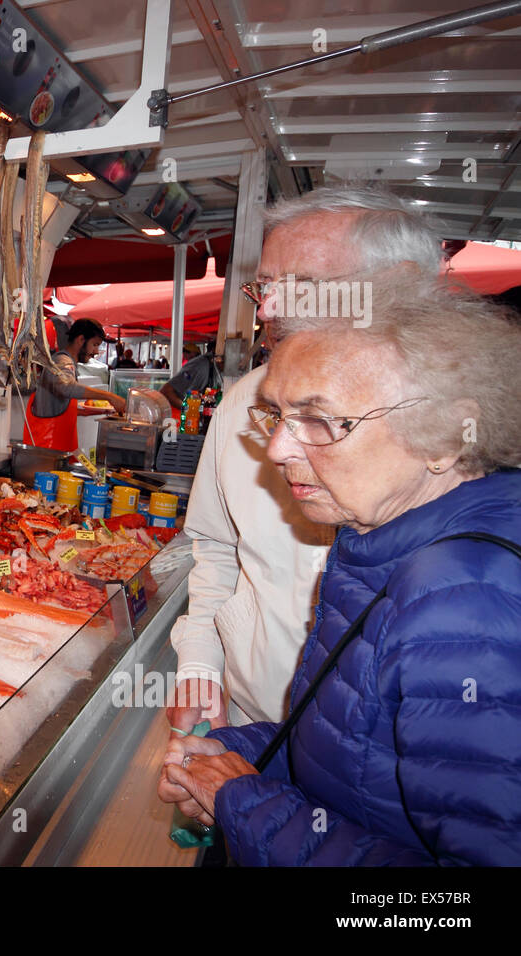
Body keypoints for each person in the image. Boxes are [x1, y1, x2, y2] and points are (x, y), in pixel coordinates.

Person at [159, 278, 521, 865]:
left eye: (321, 420)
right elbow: (350, 755)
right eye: (275, 415)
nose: (277, 449)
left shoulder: (468, 604)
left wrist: (241, 799)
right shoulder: (376, 543)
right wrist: (229, 754)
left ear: (449, 437)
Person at [166, 187, 445, 731]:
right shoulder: (244, 404)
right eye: (266, 286)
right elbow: (218, 550)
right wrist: (200, 664)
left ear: (400, 286)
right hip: (251, 728)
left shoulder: (459, 435)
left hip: (382, 776)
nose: (268, 309)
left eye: (304, 288)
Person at [22, 318, 125, 450]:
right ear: (81, 340)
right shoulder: (62, 361)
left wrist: (87, 412)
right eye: (95, 344)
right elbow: (67, 387)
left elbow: (55, 407)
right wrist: (110, 396)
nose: (96, 352)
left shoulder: (67, 363)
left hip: (55, 450)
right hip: (47, 451)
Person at [159, 344, 220, 410]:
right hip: (180, 414)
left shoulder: (208, 367)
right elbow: (166, 390)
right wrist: (188, 410)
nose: (184, 354)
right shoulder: (197, 366)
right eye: (184, 352)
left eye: (185, 352)